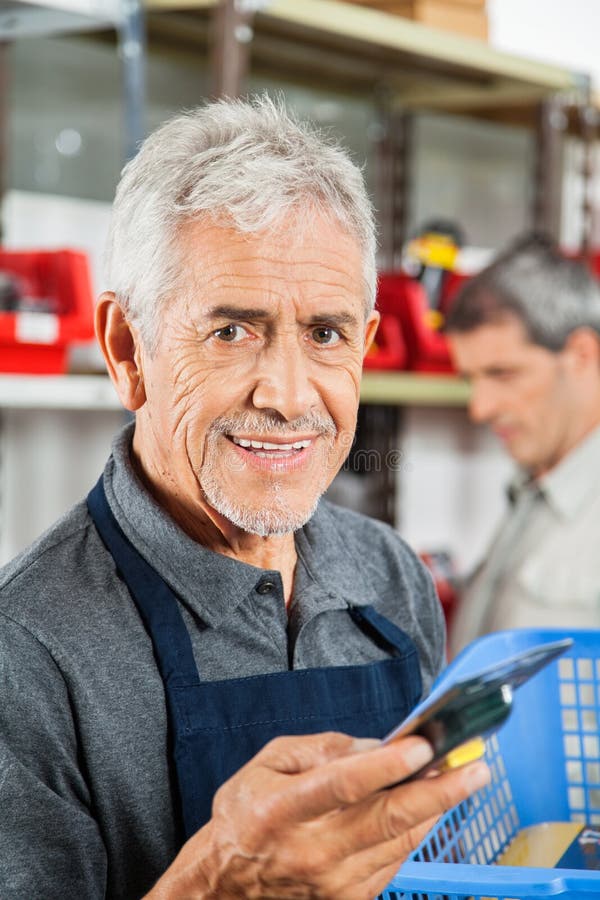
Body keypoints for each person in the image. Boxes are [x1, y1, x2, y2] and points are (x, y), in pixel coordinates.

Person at [0, 96, 489, 900]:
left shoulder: (389, 577)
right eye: (233, 332)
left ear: (364, 350)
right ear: (128, 351)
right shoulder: (27, 648)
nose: (289, 394)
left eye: (325, 334)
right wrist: (213, 886)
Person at [446, 233, 600, 656]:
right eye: (471, 380)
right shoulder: (531, 492)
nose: (480, 408)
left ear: (582, 355)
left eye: (503, 374)